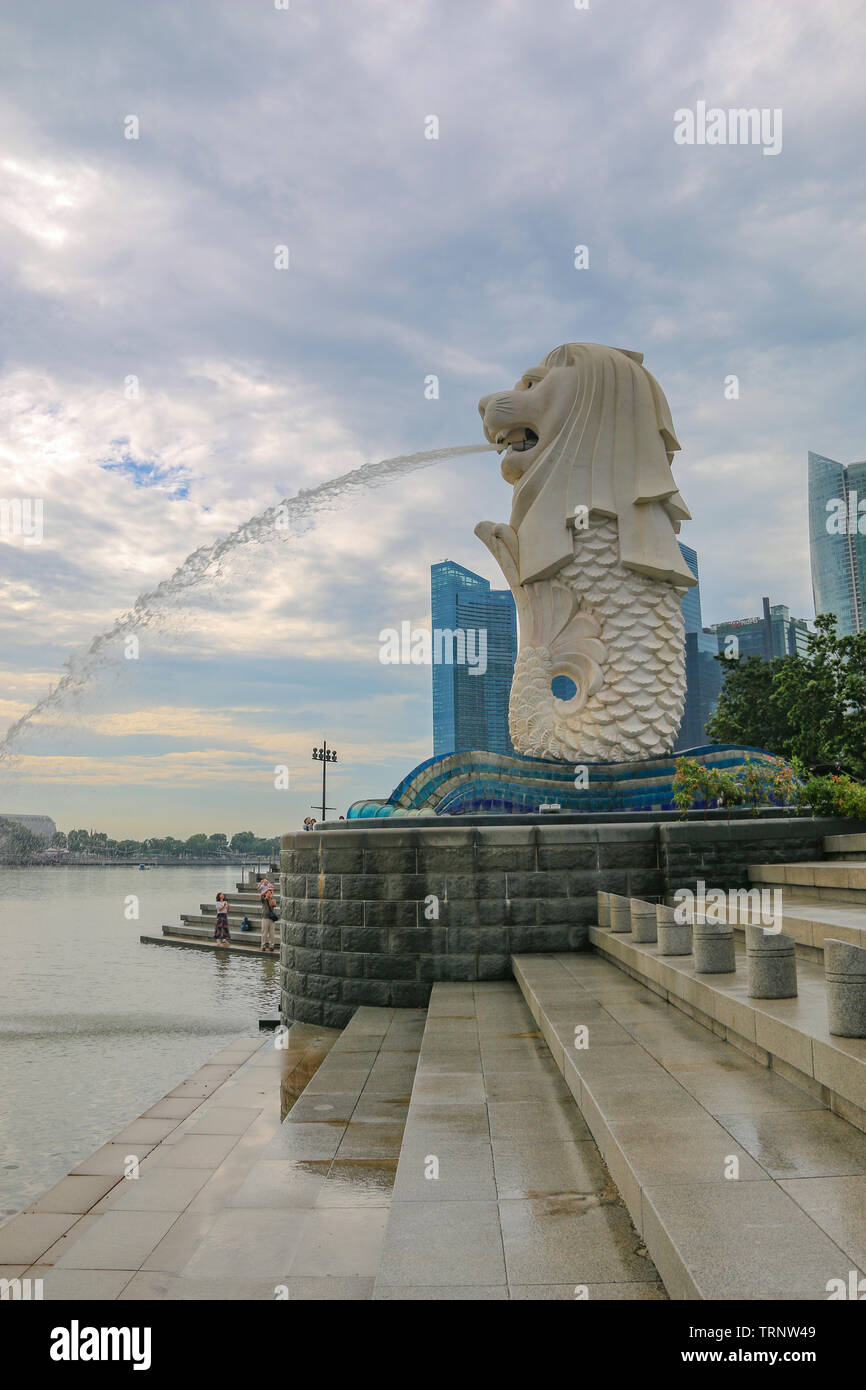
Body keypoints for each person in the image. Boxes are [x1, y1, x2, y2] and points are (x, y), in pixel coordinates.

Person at [258, 875, 277, 953]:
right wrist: (267, 890)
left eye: (270, 893)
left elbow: (273, 905)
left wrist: (271, 897)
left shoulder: (273, 900)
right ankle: (263, 946)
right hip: (265, 918)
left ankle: (271, 946)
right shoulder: (263, 900)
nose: (269, 893)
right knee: (264, 932)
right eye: (268, 893)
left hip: (271, 918)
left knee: (272, 933)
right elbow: (261, 895)